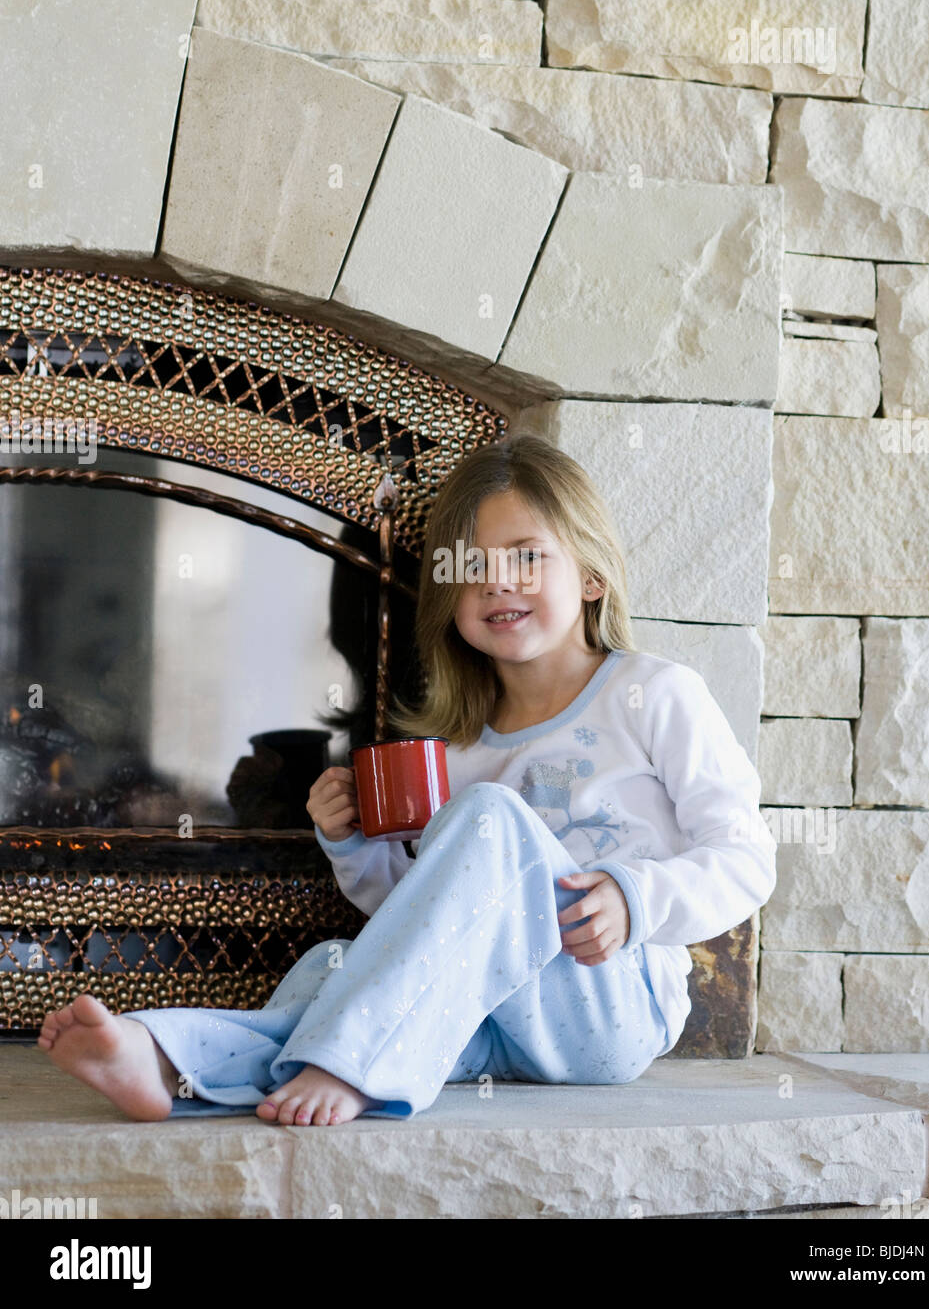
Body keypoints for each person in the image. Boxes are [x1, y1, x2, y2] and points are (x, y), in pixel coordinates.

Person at [36, 433, 777, 1126]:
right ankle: (168, 1063)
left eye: (526, 557)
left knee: (484, 822)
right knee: (336, 967)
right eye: (471, 568)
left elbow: (747, 858)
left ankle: (348, 1064)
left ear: (590, 574)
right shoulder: (450, 751)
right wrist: (356, 846)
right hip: (487, 1016)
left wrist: (634, 896)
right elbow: (419, 927)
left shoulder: (654, 695)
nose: (498, 583)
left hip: (606, 1003)